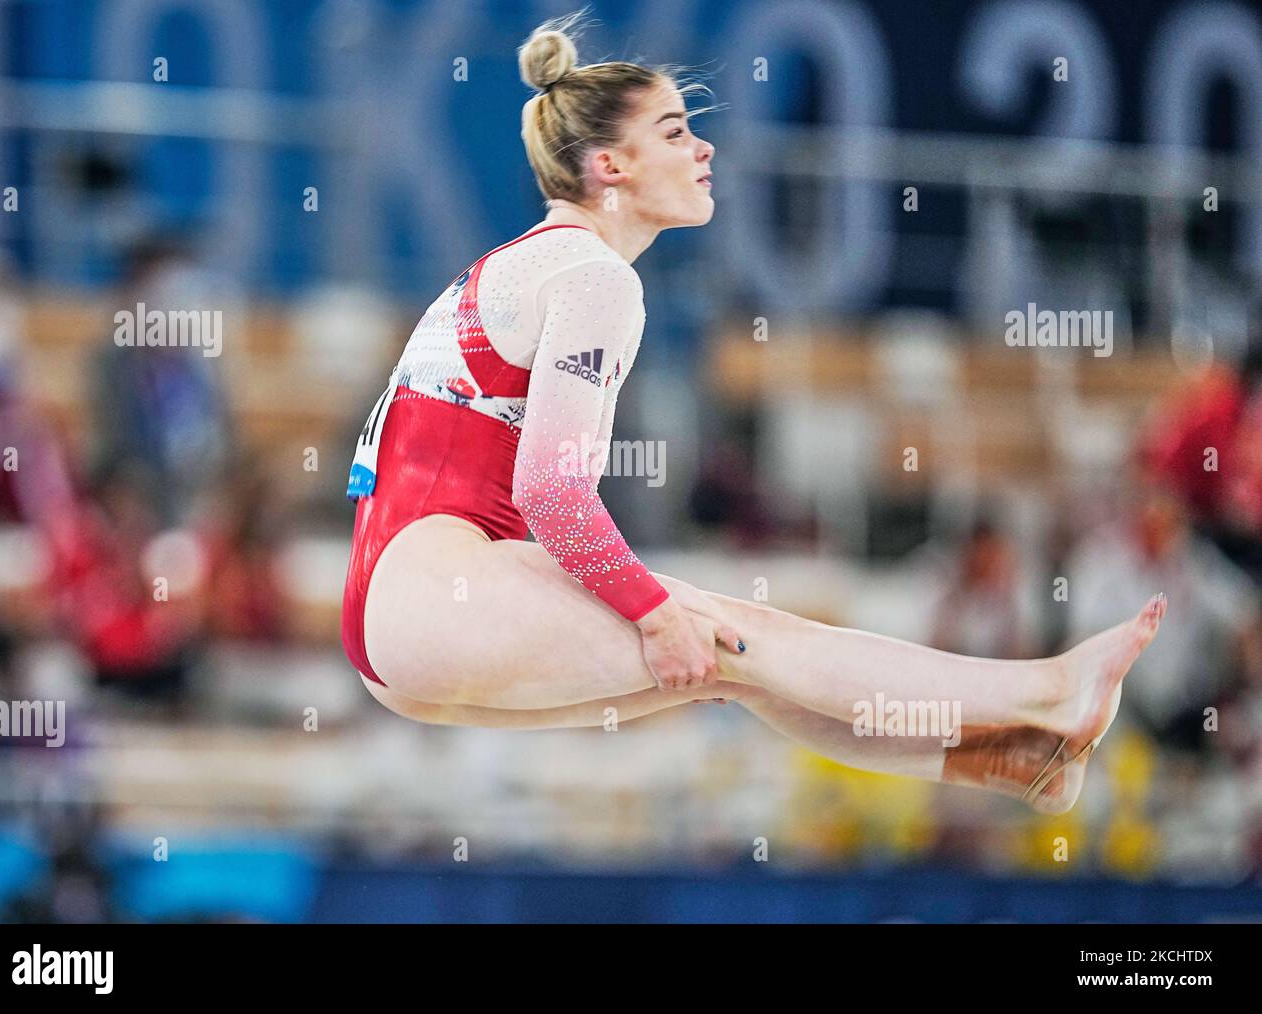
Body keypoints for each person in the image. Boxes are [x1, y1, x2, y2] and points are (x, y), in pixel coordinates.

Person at [340, 11, 1167, 815]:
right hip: (434, 597)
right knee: (741, 633)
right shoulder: (591, 276)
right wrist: (651, 611)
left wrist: (657, 616)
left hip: (404, 614)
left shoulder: (519, 266)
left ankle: (1011, 759)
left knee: (741, 664)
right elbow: (551, 495)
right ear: (609, 166)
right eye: (673, 132)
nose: (703, 148)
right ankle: (1046, 692)